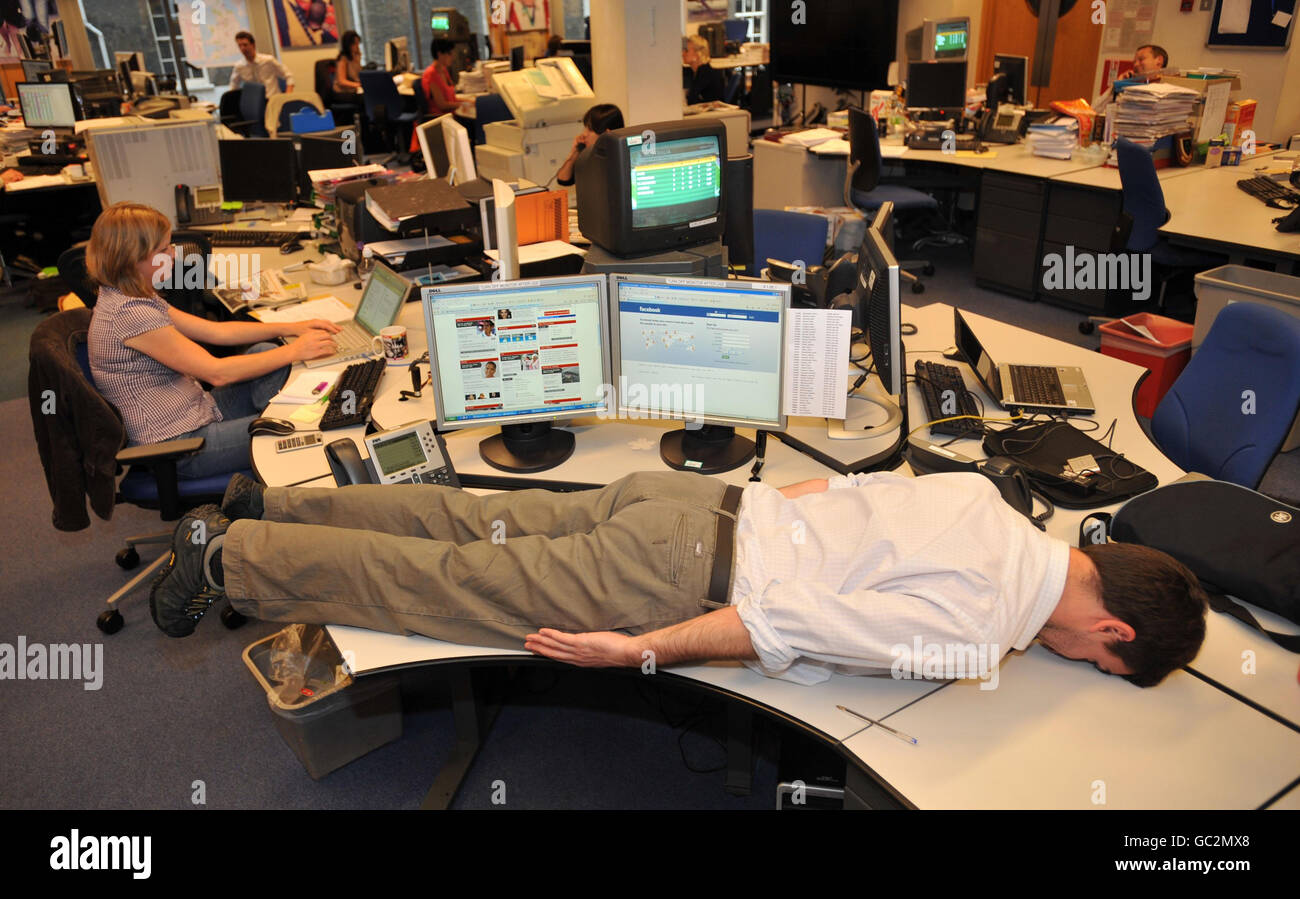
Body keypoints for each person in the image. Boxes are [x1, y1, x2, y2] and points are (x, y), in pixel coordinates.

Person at [150, 469, 1207, 689]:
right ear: (1110, 631)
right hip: (674, 566)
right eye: (1098, 661)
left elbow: (831, 486)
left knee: (468, 513)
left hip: (689, 501)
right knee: (448, 582)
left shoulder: (987, 496)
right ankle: (231, 555)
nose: (1071, 660)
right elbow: (780, 617)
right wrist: (646, 646)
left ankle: (278, 506)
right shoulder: (980, 631)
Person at [86, 203, 340, 478]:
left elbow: (216, 332)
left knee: (266, 351)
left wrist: (292, 328)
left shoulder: (132, 294)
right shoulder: (130, 314)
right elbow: (217, 373)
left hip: (196, 409)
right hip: (179, 443)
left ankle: (274, 433)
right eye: (162, 251)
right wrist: (295, 351)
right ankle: (283, 465)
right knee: (297, 430)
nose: (172, 254)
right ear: (131, 259)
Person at [556, 103, 624, 187]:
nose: (584, 134)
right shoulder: (588, 155)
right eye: (585, 128)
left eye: (590, 130)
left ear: (607, 133)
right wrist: (574, 152)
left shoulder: (621, 159)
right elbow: (563, 179)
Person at [1092, 43, 1168, 113]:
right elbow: (1093, 111)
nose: (1136, 65)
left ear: (1159, 61)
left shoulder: (1169, 93)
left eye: (1141, 59)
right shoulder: (1129, 89)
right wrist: (1115, 87)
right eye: (1134, 61)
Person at [229, 31, 294, 96]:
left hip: (272, 99)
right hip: (254, 102)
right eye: (239, 45)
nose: (242, 48)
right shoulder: (239, 66)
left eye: (245, 45)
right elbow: (233, 85)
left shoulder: (268, 60)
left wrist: (287, 96)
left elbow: (288, 76)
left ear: (253, 45)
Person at [682, 34, 724, 105]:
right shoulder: (699, 71)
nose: (683, 54)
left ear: (697, 54)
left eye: (686, 51)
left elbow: (691, 101)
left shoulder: (705, 73)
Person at [333, 30, 363, 98]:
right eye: (355, 44)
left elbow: (356, 75)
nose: (357, 46)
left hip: (353, 89)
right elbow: (342, 81)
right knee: (364, 98)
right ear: (348, 44)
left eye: (358, 43)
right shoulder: (343, 58)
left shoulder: (355, 56)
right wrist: (358, 84)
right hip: (343, 92)